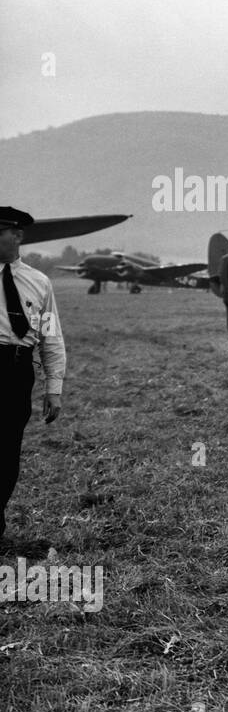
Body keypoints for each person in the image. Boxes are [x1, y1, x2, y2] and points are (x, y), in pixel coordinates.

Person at [0, 207, 64, 548]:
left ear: (17, 236)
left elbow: (51, 337)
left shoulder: (40, 283)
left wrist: (54, 388)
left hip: (16, 370)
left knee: (7, 453)